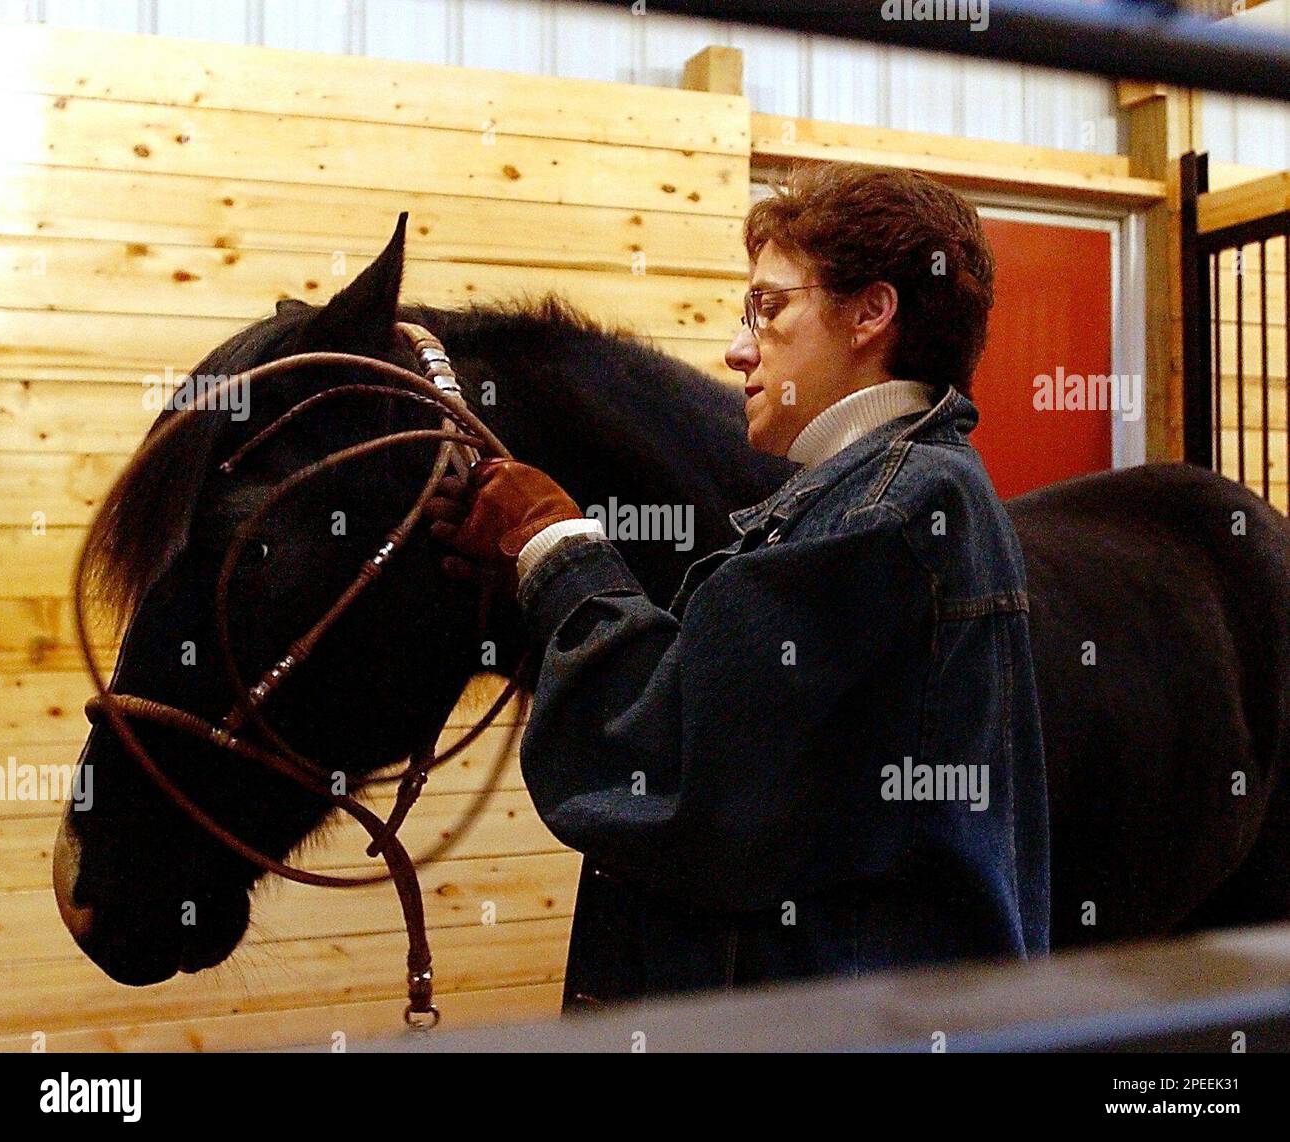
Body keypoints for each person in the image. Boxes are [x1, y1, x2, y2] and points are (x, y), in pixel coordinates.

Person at [422, 161, 1050, 1012]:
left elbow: (674, 773)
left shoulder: (888, 513)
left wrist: (556, 548)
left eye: (769, 306)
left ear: (871, 313)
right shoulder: (881, 496)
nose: (738, 348)